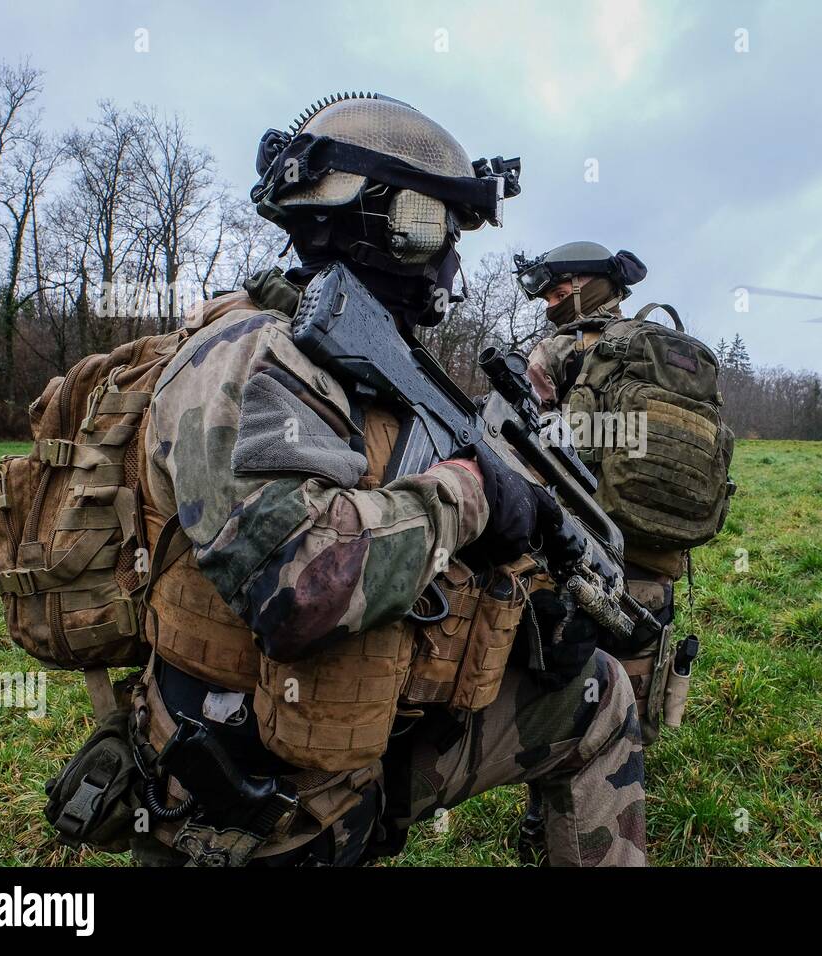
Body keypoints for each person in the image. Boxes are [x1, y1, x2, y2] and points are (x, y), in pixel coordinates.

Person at [132, 94, 645, 867]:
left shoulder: (352, 365)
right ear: (366, 218)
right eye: (431, 225)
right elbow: (302, 586)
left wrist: (534, 611)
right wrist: (472, 493)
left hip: (350, 740)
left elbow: (389, 511)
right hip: (254, 801)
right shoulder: (249, 357)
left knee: (598, 695)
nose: (447, 261)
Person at [513, 242, 682, 861]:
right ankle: (626, 804)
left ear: (585, 288)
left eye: (556, 290)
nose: (548, 302)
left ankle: (550, 824)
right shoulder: (666, 348)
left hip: (580, 554)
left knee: (573, 700)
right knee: (633, 689)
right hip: (658, 555)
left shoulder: (560, 350)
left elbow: (525, 443)